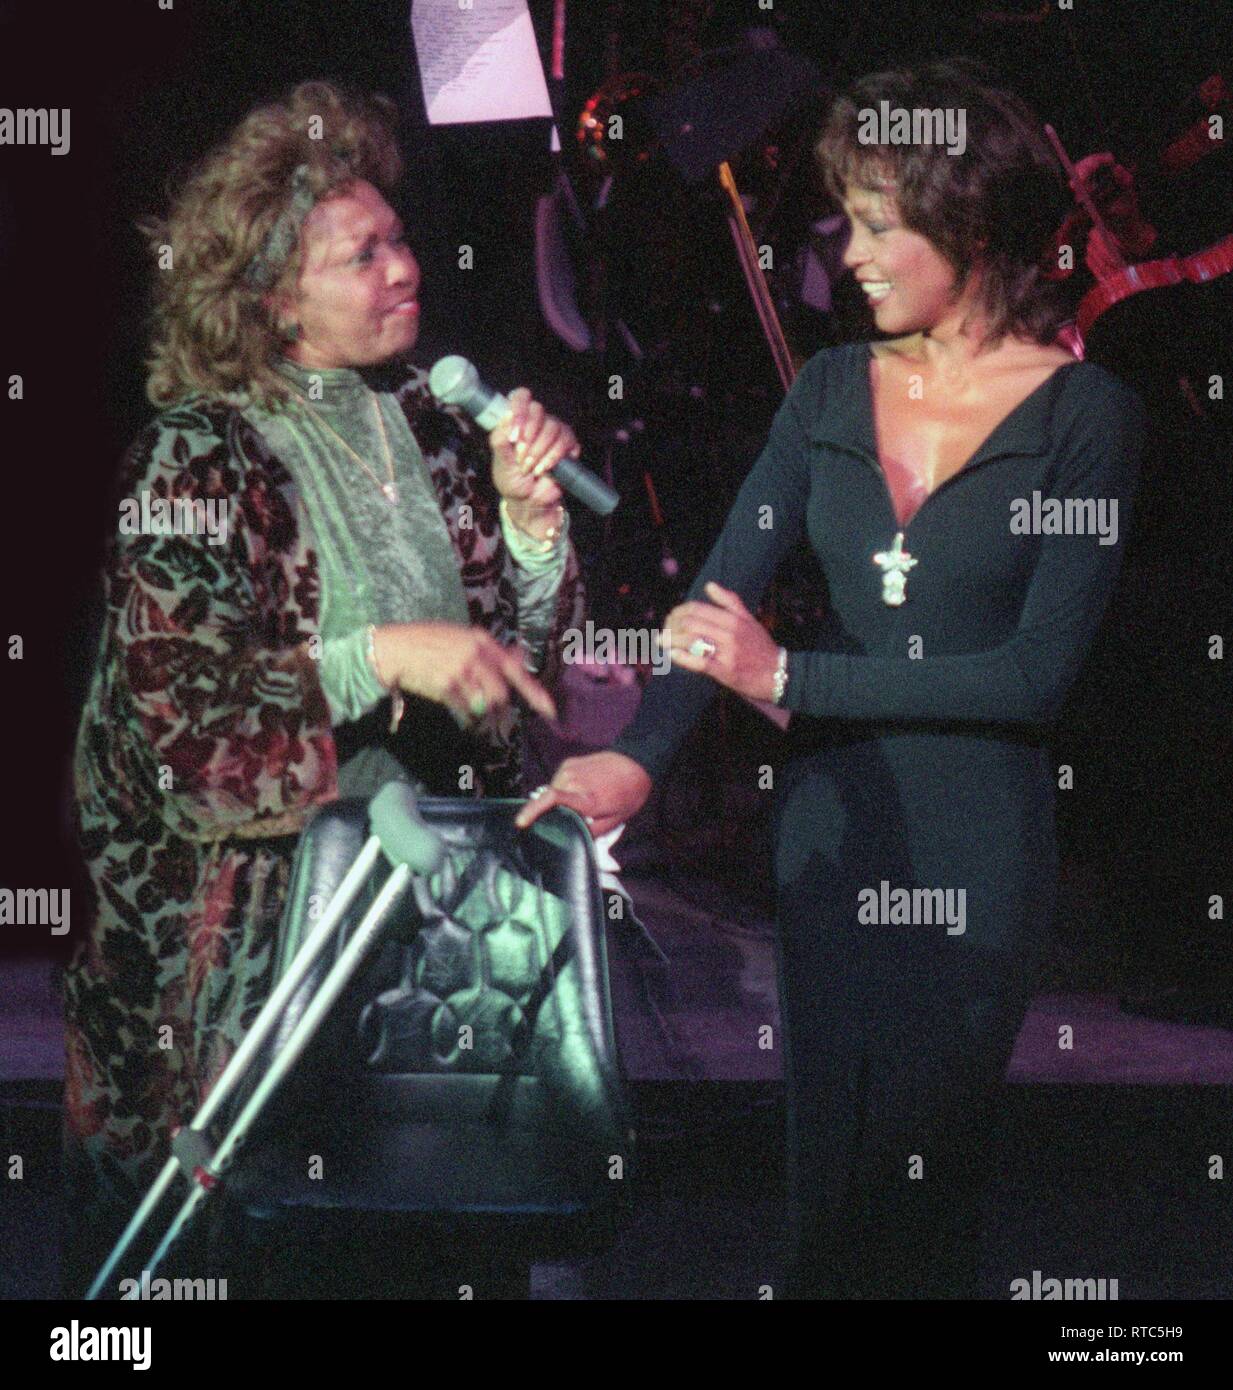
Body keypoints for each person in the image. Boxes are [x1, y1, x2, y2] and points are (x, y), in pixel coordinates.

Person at [517, 59, 1147, 1298]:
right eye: (842, 219)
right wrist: (637, 760)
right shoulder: (824, 391)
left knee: (919, 1203)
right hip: (831, 841)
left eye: (874, 221)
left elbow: (1030, 677)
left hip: (970, 851)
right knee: (824, 1209)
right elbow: (717, 602)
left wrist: (795, 676)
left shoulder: (1088, 415)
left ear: (964, 222)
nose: (845, 252)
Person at [64, 79, 586, 1297]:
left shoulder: (432, 429)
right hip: (257, 954)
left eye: (399, 239)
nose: (405, 267)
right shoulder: (201, 452)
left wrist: (528, 534)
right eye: (364, 255)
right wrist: (377, 659)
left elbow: (515, 692)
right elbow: (182, 725)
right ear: (270, 297)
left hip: (422, 933)